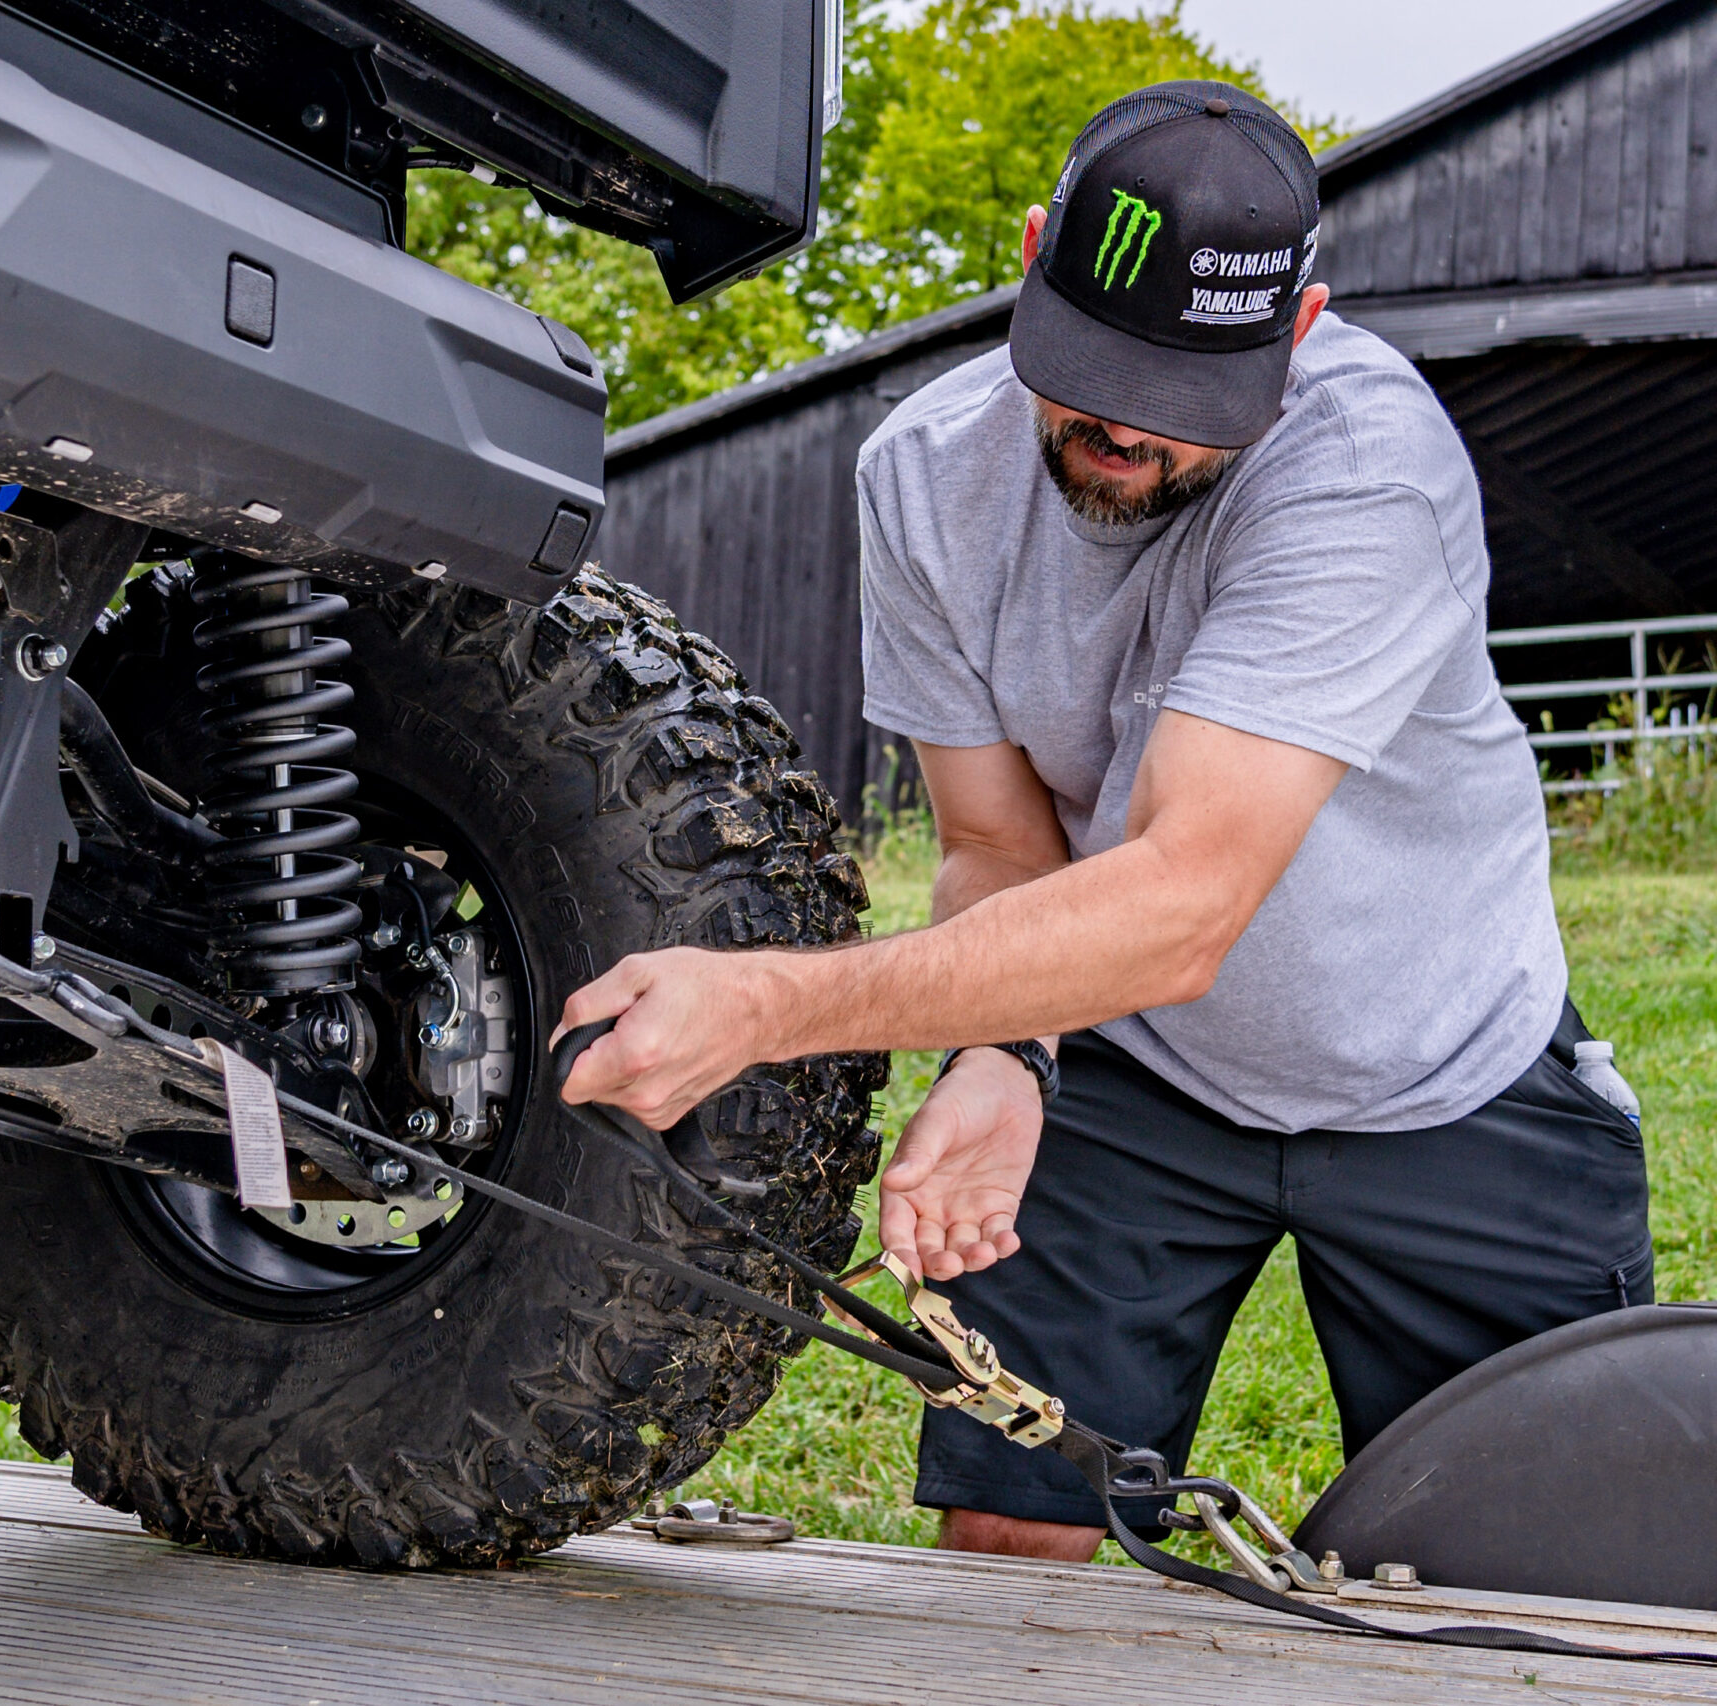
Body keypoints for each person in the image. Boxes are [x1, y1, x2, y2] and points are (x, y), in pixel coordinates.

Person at [554, 82, 1652, 1561]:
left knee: (1549, 1578)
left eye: (1186, 389)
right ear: (1030, 253)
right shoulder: (928, 483)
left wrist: (764, 1004)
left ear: (1301, 326)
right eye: (1093, 362)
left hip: (1442, 1066)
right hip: (1137, 1067)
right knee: (1016, 1541)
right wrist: (1004, 1052)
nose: (1124, 421)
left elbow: (1184, 902)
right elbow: (1002, 845)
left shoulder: (1364, 469)